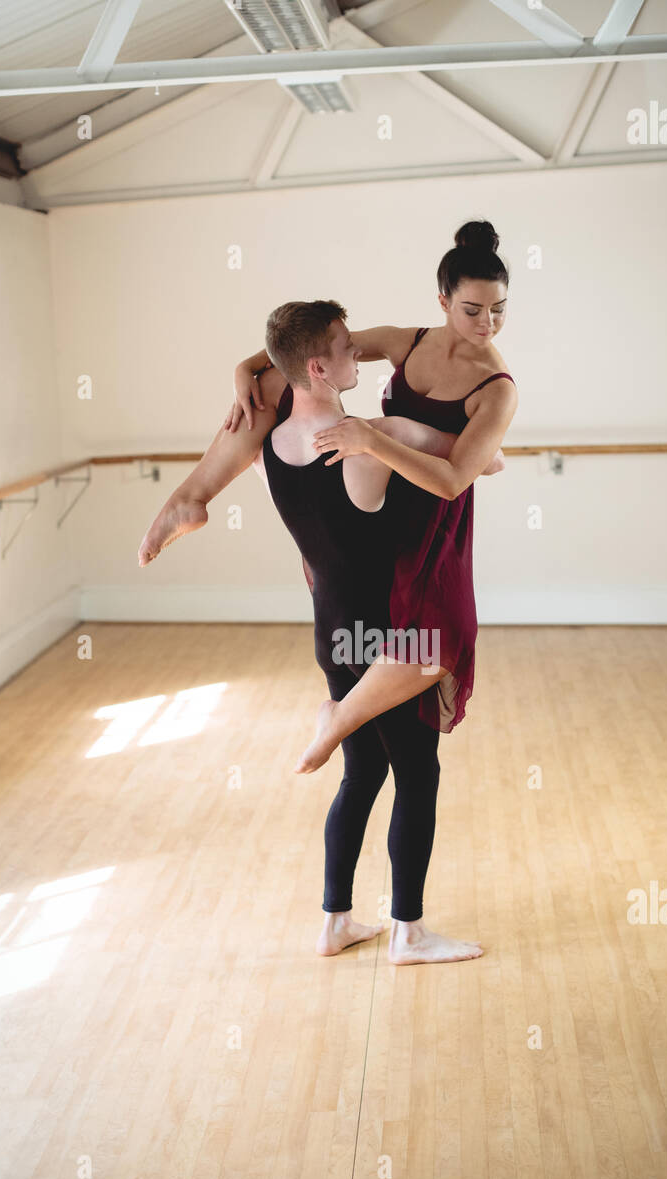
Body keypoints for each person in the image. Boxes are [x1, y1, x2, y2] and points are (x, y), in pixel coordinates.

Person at [137, 221, 517, 769]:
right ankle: (193, 495)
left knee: (437, 647)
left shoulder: (497, 387)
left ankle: (338, 718)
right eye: (473, 309)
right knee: (275, 387)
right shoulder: (404, 341)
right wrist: (247, 365)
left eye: (499, 309)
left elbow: (457, 478)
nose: (488, 323)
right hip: (378, 473)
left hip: (431, 489)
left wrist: (373, 437)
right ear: (444, 301)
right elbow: (310, 354)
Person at [238, 298, 485, 964]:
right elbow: (476, 465)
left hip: (330, 633)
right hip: (387, 640)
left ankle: (335, 921)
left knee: (363, 773)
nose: (359, 355)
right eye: (348, 348)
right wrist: (411, 430)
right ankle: (408, 932)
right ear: (319, 368)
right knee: (417, 774)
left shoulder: (270, 449)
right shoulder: (372, 440)